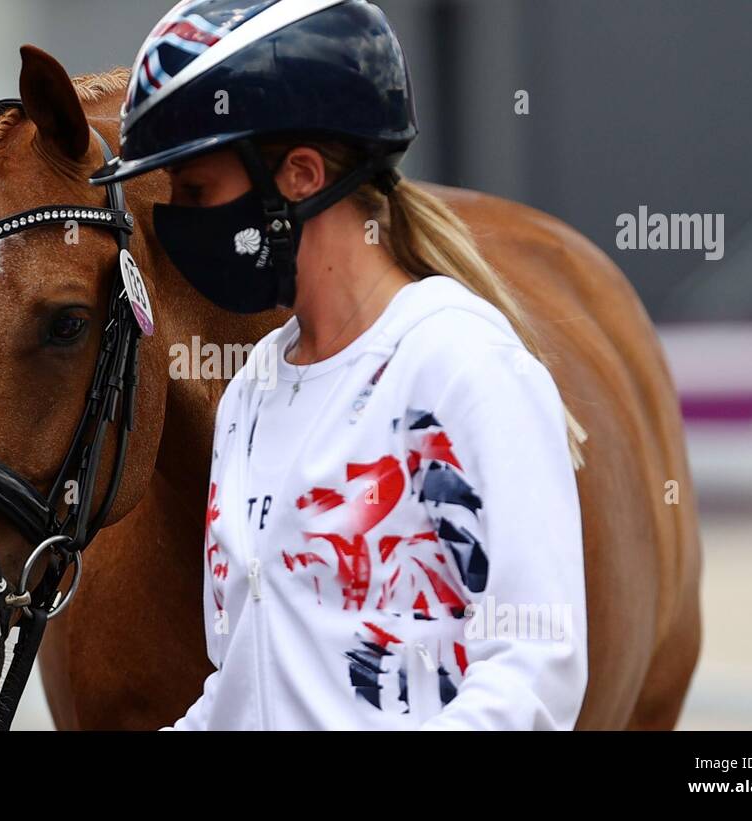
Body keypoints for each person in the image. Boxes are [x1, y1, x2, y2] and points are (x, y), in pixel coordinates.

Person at [91, 0, 589, 730]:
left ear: (298, 175)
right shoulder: (250, 392)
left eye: (197, 192)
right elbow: (249, 680)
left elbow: (535, 672)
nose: (179, 221)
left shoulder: (463, 368)